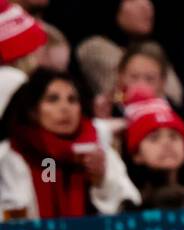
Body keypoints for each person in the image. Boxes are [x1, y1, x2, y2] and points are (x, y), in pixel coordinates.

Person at [0, 67, 139, 219]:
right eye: (53, 99)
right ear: (33, 111)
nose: (65, 108)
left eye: (72, 100)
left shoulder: (97, 149)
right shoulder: (11, 155)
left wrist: (101, 179)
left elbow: (130, 204)